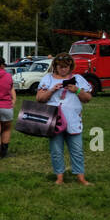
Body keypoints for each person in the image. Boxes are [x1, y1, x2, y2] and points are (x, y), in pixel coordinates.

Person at [36, 54, 93, 185]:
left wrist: (77, 90)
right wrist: (51, 90)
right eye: (60, 67)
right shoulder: (48, 79)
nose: (63, 69)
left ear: (70, 67)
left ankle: (81, 177)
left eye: (66, 67)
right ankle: (59, 177)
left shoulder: (78, 79)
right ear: (55, 66)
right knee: (56, 151)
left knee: (77, 150)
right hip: (54, 121)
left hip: (73, 121)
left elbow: (88, 99)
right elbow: (39, 99)